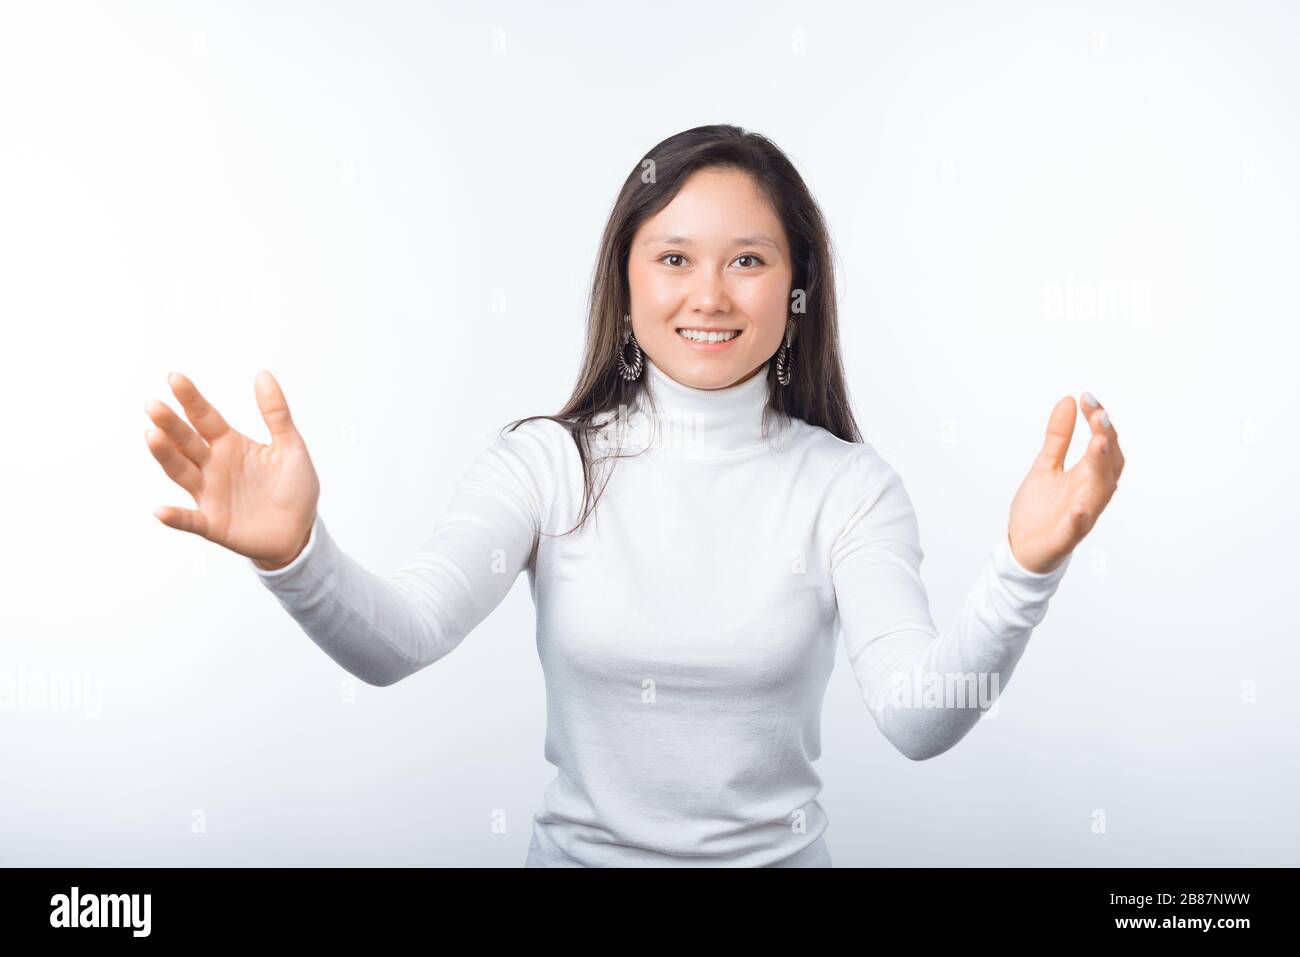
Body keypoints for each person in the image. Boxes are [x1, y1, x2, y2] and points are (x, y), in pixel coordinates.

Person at [143, 124, 1123, 867]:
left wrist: (1022, 570)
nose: (708, 294)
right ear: (626, 276)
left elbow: (916, 717)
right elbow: (400, 642)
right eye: (673, 257)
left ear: (795, 288)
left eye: (747, 259)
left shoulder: (846, 488)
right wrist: (295, 556)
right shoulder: (544, 464)